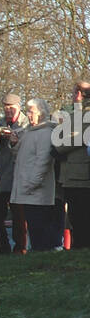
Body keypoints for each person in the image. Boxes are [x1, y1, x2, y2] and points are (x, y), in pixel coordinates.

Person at [11, 98, 60, 250]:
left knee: (40, 231)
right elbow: (19, 155)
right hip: (29, 190)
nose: (28, 115)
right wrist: (13, 143)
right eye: (28, 112)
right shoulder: (29, 132)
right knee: (34, 230)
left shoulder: (45, 133)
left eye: (31, 112)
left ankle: (44, 261)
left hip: (37, 192)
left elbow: (43, 162)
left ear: (41, 113)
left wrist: (30, 184)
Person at [0, 93, 28, 253]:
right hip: (1, 176)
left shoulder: (27, 124)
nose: (8, 111)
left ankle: (20, 248)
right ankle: (2, 246)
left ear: (19, 107)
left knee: (19, 216)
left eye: (11, 107)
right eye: (6, 107)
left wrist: (16, 142)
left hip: (19, 176)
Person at [55, 79, 90, 250]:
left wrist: (58, 147)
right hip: (71, 175)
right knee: (75, 219)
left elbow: (77, 137)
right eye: (75, 91)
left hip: (82, 176)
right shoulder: (74, 114)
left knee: (81, 219)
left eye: (81, 92)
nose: (76, 95)